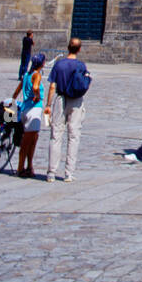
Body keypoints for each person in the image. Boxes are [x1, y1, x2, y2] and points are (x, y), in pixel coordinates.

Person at [44, 38, 90, 183]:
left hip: (60, 100)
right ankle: (69, 173)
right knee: (74, 137)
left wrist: (48, 105)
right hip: (76, 102)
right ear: (79, 49)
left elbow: (52, 86)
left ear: (68, 48)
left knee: (56, 136)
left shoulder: (59, 64)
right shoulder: (81, 65)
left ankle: (51, 172)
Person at [12, 52, 46, 177]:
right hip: (34, 110)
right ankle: (20, 169)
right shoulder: (36, 75)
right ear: (42, 63)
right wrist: (36, 96)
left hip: (25, 109)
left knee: (33, 139)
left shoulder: (26, 74)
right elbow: (36, 87)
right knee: (26, 142)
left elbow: (17, 91)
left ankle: (29, 167)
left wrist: (13, 101)